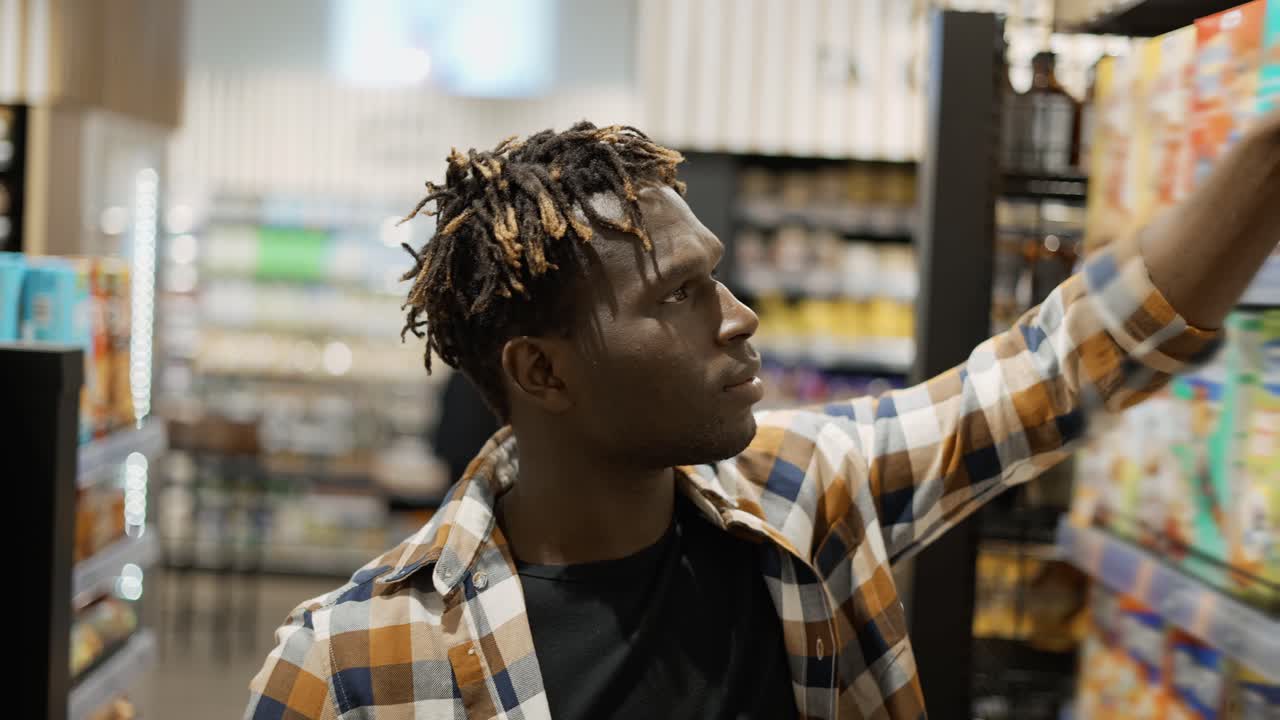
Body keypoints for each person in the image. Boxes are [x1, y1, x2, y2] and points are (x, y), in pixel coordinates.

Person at [245, 118, 1279, 719]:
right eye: (676, 297)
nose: (739, 321)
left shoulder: (801, 492)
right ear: (539, 371)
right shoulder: (347, 664)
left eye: (719, 280)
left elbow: (1060, 370)